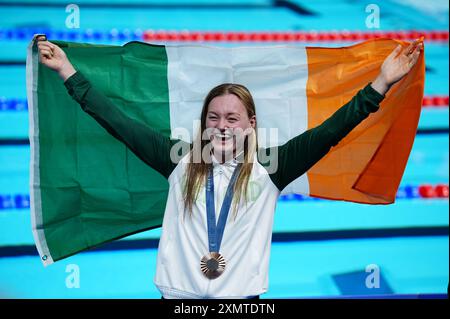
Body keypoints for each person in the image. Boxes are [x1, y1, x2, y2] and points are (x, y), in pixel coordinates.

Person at [36, 35, 422, 299]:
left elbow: (333, 130)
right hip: (177, 298)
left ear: (251, 124)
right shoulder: (178, 161)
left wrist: (381, 83)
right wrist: (68, 72)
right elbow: (116, 121)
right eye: (214, 117)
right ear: (204, 123)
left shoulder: (273, 167)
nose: (222, 125)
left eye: (232, 118)